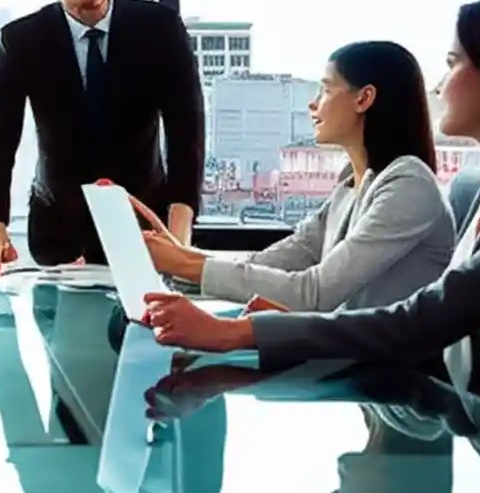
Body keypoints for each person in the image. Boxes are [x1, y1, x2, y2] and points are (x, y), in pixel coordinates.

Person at [139, 0, 480, 435]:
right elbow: (296, 260)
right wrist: (188, 267)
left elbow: (423, 319)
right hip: (479, 429)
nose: (439, 84)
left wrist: (235, 331)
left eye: (452, 62)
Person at [131, 41, 453, 312]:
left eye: (325, 90)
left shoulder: (409, 185)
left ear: (364, 98)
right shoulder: (350, 184)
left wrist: (184, 263)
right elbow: (278, 260)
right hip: (346, 359)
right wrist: (177, 257)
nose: (313, 104)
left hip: (389, 374)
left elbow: (316, 293)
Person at [0, 0, 204, 277]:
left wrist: (179, 233)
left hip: (145, 223)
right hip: (58, 227)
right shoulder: (22, 41)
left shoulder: (160, 28)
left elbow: (186, 132)